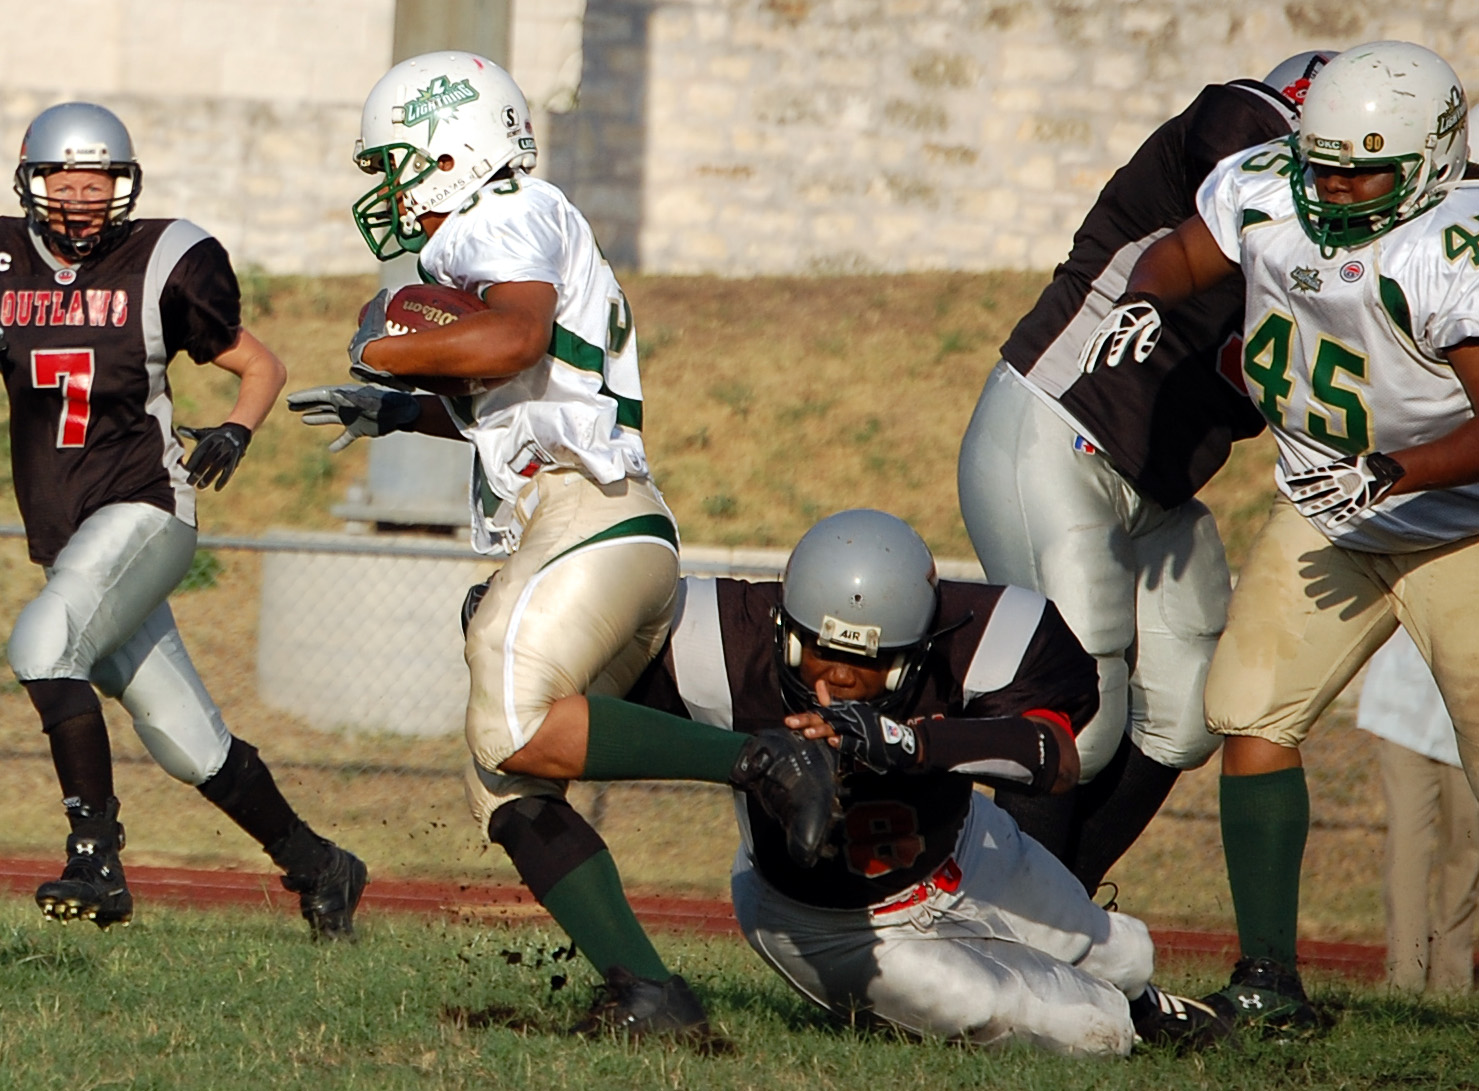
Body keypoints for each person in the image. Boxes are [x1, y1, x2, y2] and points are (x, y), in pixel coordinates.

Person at [288, 52, 836, 1039]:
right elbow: (525, 398)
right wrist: (400, 408)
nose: (390, 192)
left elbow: (514, 342)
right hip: (591, 525)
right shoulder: (505, 228)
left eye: (398, 165)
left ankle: (766, 761)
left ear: (454, 153)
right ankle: (648, 991)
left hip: (596, 516)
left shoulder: (502, 211)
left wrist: (383, 349)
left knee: (507, 713)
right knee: (503, 777)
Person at [1080, 40, 1479, 1033]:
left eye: (1359, 172)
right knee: (1249, 713)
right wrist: (1141, 294)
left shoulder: (1451, 246)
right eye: (1322, 163)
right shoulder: (1268, 185)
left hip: (1455, 528)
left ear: (1432, 160)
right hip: (1323, 508)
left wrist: (1402, 468)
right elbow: (1186, 250)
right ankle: (1267, 978)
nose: (1333, 186)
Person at [615, 509, 1234, 1056]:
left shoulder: (979, 636)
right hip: (823, 920)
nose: (837, 680)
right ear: (786, 628)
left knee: (1124, 955)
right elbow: (595, 694)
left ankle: (1148, 1005)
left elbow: (1056, 761)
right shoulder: (726, 640)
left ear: (915, 651)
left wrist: (908, 743)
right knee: (1083, 1029)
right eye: (820, 652)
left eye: (868, 663)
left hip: (964, 850)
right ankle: (1124, 1020)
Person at [956, 51, 1336, 894]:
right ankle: (1002, 913)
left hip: (1155, 490)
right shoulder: (1246, 133)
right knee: (1075, 708)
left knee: (1185, 712)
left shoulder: (1363, 258)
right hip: (1055, 429)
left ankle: (1058, 901)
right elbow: (1231, 134)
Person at [0, 102, 366, 939]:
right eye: (64, 179)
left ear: (123, 185)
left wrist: (237, 426)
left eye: (98, 180)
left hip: (146, 507)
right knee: (187, 740)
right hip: (71, 535)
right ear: (32, 181)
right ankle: (321, 866)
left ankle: (95, 857)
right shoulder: (7, 262)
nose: (81, 196)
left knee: (43, 644)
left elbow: (260, 362)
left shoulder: (162, 259)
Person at [1356, 628, 1479, 994]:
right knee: (1406, 846)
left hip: (1471, 725)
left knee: (1467, 849)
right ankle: (1404, 975)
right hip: (1405, 710)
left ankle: (1451, 980)